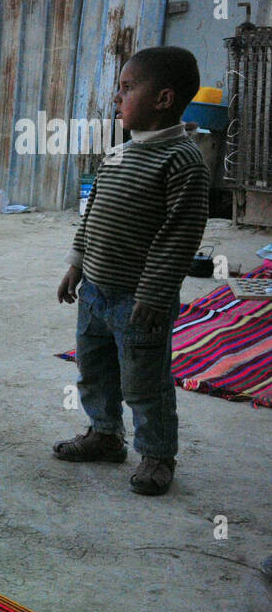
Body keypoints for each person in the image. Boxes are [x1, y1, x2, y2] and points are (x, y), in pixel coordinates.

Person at [53, 47, 209, 496]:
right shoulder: (119, 154)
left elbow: (178, 238)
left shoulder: (182, 161)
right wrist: (76, 264)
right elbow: (93, 215)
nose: (116, 98)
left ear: (162, 99)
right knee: (95, 370)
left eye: (126, 88)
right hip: (96, 293)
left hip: (139, 302)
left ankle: (158, 455)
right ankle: (105, 435)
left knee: (145, 382)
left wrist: (156, 296)